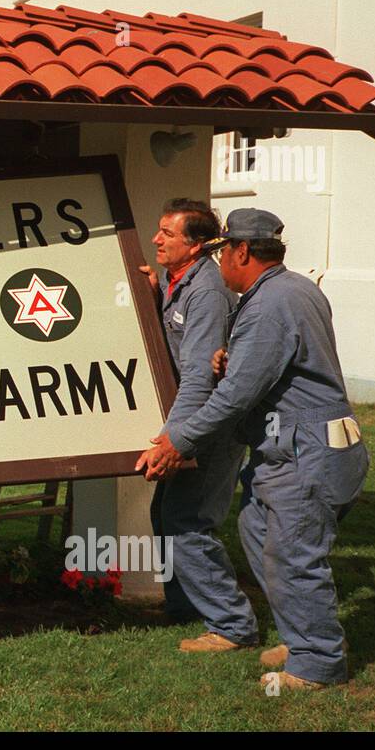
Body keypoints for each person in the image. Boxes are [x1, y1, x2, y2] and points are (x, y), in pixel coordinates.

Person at [136, 209, 368, 691]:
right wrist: (233, 357)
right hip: (308, 444)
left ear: (242, 251)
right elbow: (281, 361)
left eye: (224, 252)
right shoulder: (295, 290)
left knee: (292, 554)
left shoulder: (266, 306)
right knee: (258, 528)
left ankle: (317, 663)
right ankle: (303, 634)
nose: (220, 263)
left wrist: (179, 439)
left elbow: (237, 394)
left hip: (306, 452)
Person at [138, 199, 256, 653]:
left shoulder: (206, 291)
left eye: (168, 233)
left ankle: (230, 625)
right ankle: (185, 606)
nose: (156, 240)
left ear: (197, 245)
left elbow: (200, 376)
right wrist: (156, 298)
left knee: (188, 519)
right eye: (158, 230)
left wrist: (176, 439)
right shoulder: (179, 282)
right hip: (192, 421)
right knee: (164, 513)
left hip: (211, 427)